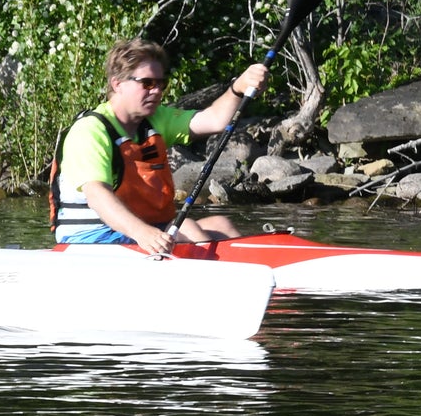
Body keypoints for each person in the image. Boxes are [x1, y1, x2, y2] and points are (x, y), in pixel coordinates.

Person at [49, 39, 267, 255]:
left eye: (160, 83)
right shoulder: (90, 130)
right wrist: (143, 233)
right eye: (147, 83)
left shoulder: (155, 119)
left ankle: (260, 265)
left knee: (221, 224)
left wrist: (238, 88)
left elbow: (215, 120)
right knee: (188, 228)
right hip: (87, 239)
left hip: (135, 231)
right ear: (117, 84)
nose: (156, 91)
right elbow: (98, 196)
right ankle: (222, 278)